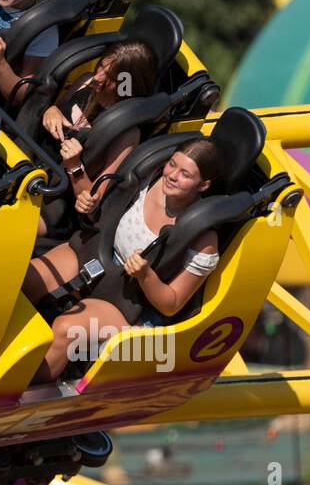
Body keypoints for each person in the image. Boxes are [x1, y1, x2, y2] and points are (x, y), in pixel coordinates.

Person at [22, 139, 224, 383]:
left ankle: (17, 392)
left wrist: (145, 275)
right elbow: (97, 207)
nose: (172, 176)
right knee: (25, 281)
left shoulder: (203, 238)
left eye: (185, 175)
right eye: (172, 164)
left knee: (66, 329)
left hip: (130, 298)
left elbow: (172, 304)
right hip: (97, 254)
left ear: (203, 185)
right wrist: (84, 195)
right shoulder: (146, 176)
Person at [38, 40, 158, 235]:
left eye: (110, 77)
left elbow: (92, 201)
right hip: (34, 166)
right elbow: (56, 109)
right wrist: (52, 110)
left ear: (129, 84)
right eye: (101, 66)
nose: (98, 77)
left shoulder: (127, 132)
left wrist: (75, 165)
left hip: (58, 200)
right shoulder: (85, 81)